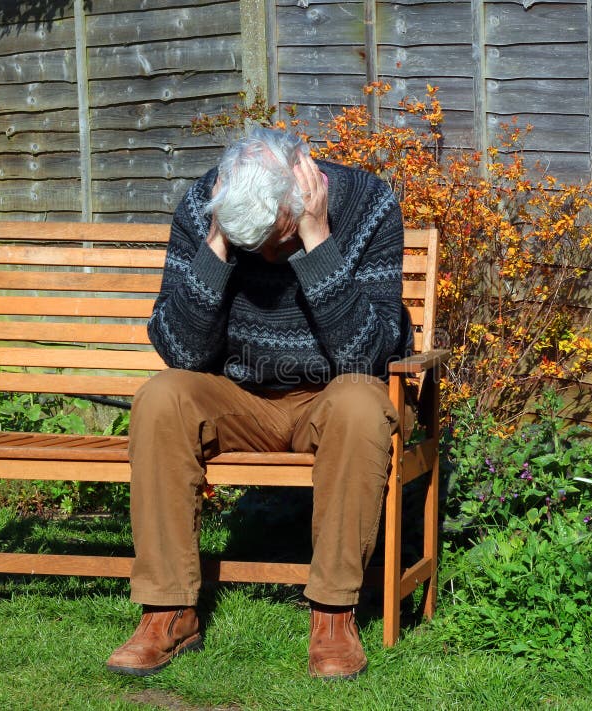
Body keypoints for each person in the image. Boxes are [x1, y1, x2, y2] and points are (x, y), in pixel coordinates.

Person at [105, 128, 412, 680]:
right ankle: (168, 610)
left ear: (305, 195)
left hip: (334, 394)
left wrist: (316, 241)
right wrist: (219, 244)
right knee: (160, 397)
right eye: (257, 248)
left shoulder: (369, 202)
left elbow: (366, 356)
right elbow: (180, 351)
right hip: (239, 397)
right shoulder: (205, 205)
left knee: (361, 406)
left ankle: (333, 614)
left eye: (277, 238)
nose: (269, 255)